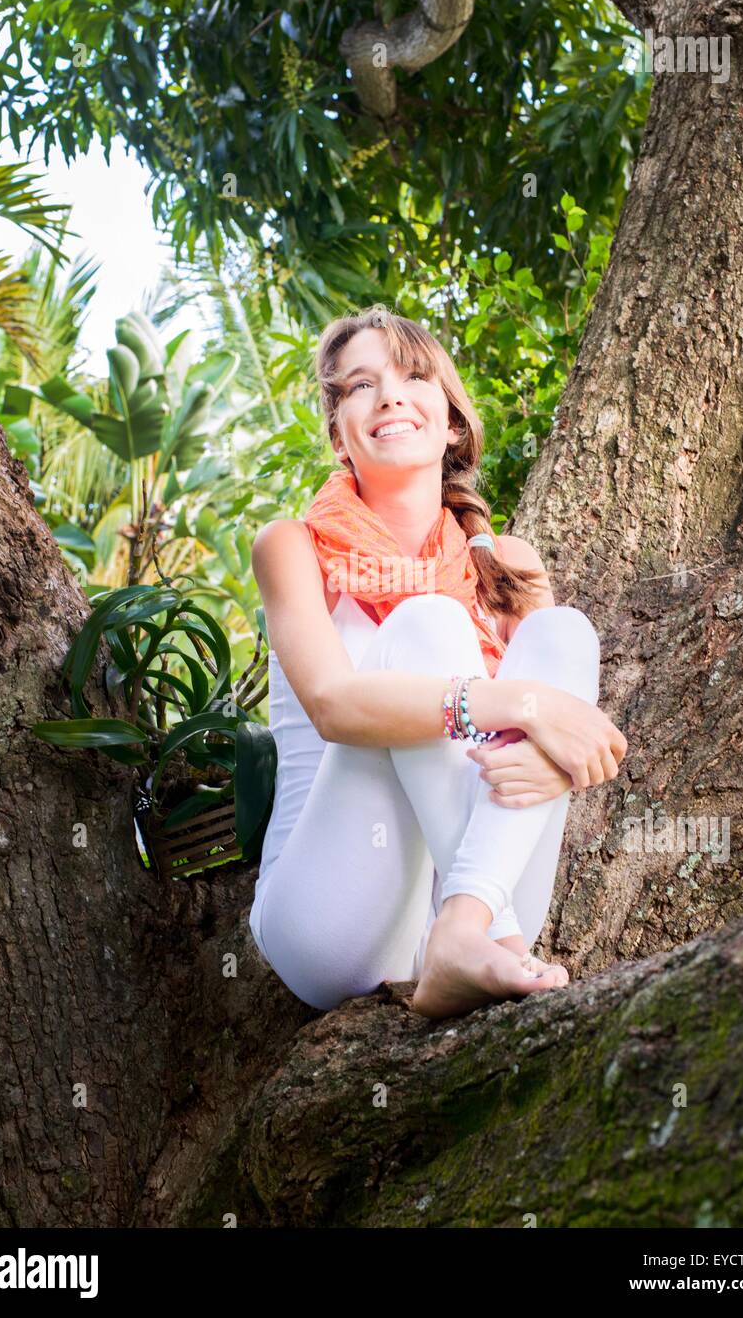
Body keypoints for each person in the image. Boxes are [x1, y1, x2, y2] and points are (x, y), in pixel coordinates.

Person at [247, 306, 627, 1019]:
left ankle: (464, 930)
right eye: (360, 386)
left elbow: (573, 733)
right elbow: (332, 705)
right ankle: (470, 933)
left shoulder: (508, 565)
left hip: (485, 902)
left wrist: (552, 757)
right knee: (429, 623)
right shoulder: (290, 546)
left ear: (450, 421)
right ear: (338, 437)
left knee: (566, 635)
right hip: (331, 919)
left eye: (412, 375)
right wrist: (525, 710)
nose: (388, 394)